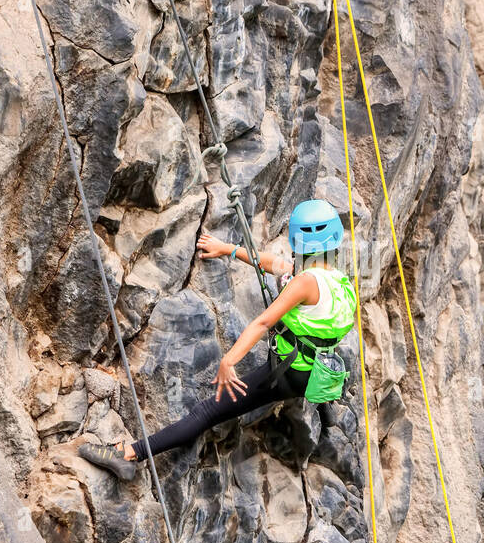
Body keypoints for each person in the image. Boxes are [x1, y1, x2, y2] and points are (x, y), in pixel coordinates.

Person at [78, 199, 357, 478]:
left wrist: (229, 361)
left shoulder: (304, 282)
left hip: (290, 373)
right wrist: (228, 249)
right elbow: (277, 265)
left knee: (207, 412)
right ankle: (323, 400)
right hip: (319, 369)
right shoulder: (341, 282)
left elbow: (263, 322)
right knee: (313, 338)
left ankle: (129, 454)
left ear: (297, 239)